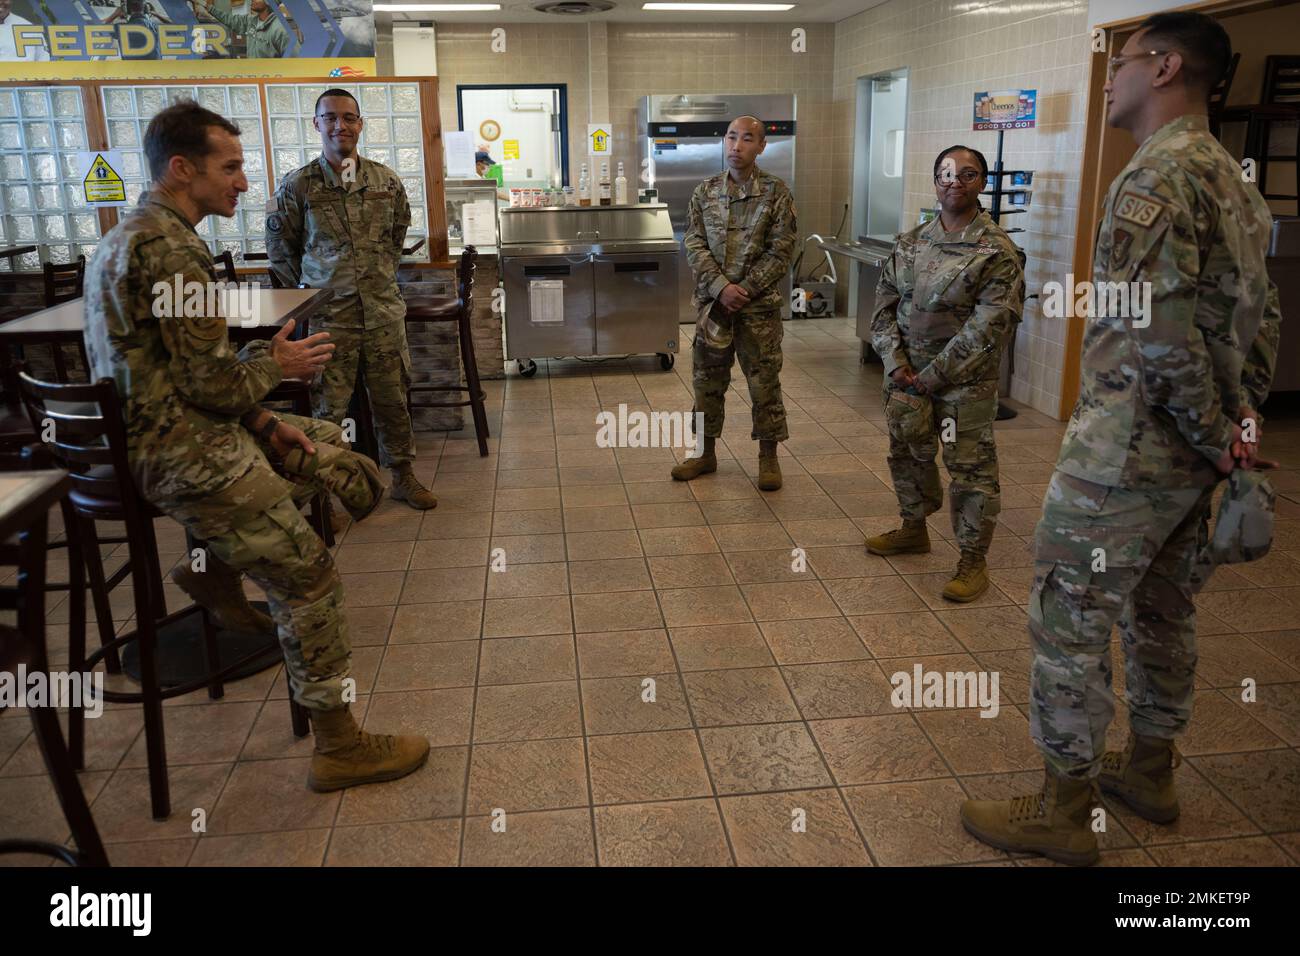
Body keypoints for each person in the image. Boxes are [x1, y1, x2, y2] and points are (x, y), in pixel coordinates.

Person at [961, 11, 1281, 865]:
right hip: (1189, 460)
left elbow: (1157, 331)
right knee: (1162, 612)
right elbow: (1265, 318)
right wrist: (1237, 431)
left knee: (1068, 617)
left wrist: (1218, 434)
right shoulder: (1234, 181)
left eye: (1124, 61)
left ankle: (1064, 809)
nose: (1110, 77)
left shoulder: (1156, 178)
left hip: (1128, 452)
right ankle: (1149, 770)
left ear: (1166, 66)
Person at [82, 100, 429, 793]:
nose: (243, 181)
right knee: (312, 579)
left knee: (329, 445)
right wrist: (278, 368)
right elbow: (212, 384)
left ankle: (220, 566)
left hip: (177, 435)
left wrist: (273, 423)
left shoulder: (137, 234)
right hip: (186, 458)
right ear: (183, 170)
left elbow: (198, 384)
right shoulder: (172, 249)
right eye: (230, 167)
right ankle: (339, 745)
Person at [866, 146, 1024, 602]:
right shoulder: (911, 241)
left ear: (982, 183)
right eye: (946, 174)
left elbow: (989, 327)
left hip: (962, 384)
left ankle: (972, 561)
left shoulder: (996, 250)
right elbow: (884, 306)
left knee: (970, 471)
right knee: (907, 454)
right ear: (935, 181)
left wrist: (933, 376)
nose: (955, 182)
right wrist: (896, 363)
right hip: (906, 377)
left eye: (967, 174)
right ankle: (913, 528)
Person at [267, 88, 438, 510]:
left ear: (360, 124)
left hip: (381, 313)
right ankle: (325, 496)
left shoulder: (385, 181)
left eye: (348, 117)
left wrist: (375, 277)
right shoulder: (298, 186)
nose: (339, 125)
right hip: (329, 321)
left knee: (392, 400)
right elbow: (281, 251)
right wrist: (311, 297)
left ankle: (402, 475)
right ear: (317, 124)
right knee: (326, 409)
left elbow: (397, 236)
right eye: (330, 117)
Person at [672, 114, 797, 491]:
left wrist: (744, 289)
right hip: (714, 308)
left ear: (761, 146)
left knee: (764, 384)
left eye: (746, 139)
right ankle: (704, 453)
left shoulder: (776, 192)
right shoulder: (705, 191)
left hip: (757, 310)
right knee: (706, 382)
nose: (736, 146)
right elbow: (693, 242)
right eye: (730, 137)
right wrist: (720, 286)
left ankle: (768, 458)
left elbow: (782, 250)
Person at [189, 0, 291, 58]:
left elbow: (293, 60)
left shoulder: (280, 29)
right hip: (253, 78)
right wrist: (207, 6)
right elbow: (229, 19)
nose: (252, 0)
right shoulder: (251, 21)